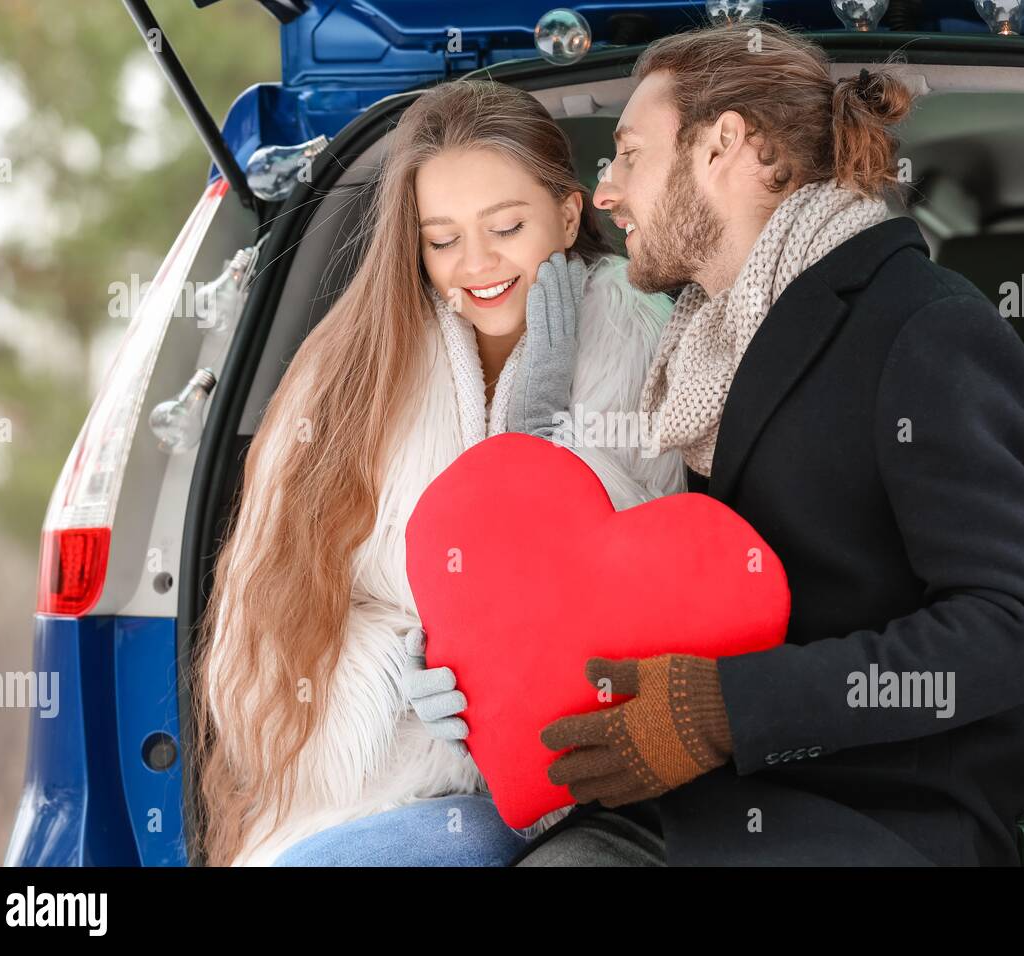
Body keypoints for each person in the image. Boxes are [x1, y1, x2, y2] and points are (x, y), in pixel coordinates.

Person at [500, 22, 1024, 866]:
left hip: (871, 828)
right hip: (693, 811)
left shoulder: (925, 328)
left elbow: (1012, 628)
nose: (609, 191)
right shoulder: (704, 352)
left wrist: (729, 709)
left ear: (726, 143)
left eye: (627, 154)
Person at [192, 79, 684, 867]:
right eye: (443, 239)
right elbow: (256, 637)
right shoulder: (349, 370)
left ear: (567, 214)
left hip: (575, 781)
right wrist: (404, 659)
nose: (477, 264)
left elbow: (660, 593)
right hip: (381, 784)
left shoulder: (646, 348)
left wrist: (538, 442)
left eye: (507, 227)